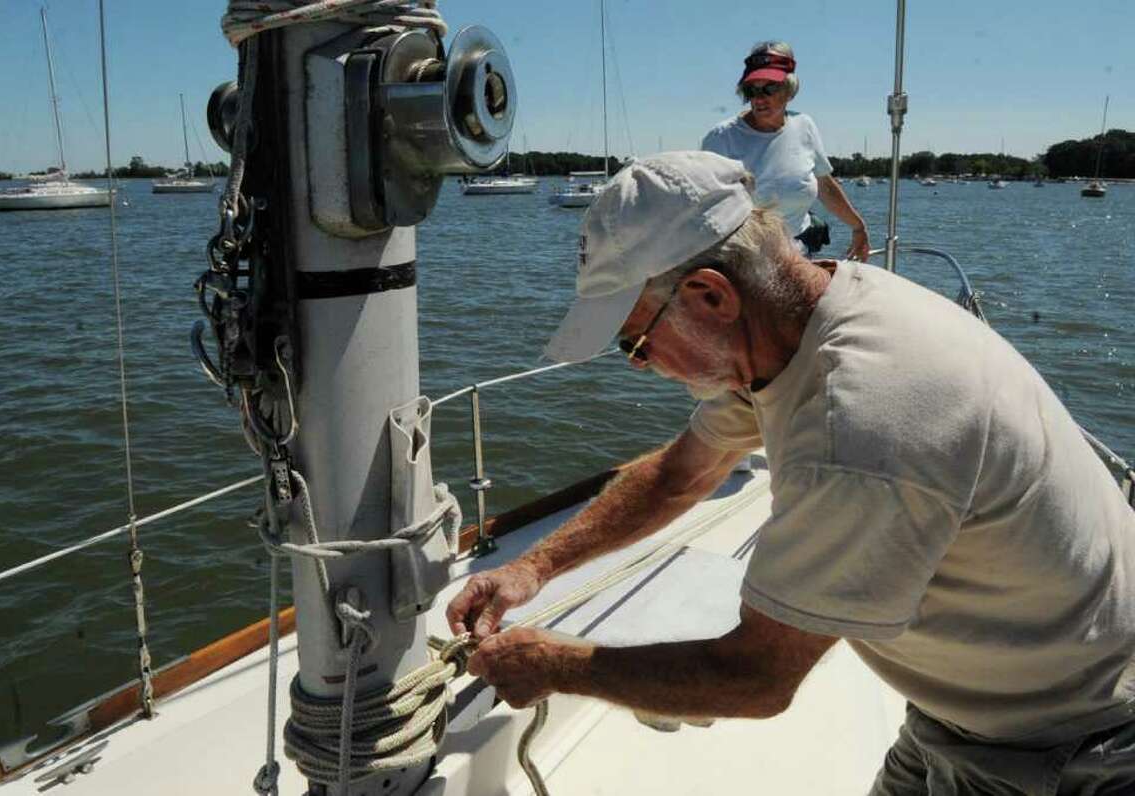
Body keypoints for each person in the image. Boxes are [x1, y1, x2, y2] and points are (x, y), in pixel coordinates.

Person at [448, 151, 1135, 793]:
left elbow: (755, 676)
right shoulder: (811, 316)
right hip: (958, 709)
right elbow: (682, 474)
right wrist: (531, 568)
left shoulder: (859, 422)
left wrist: (556, 666)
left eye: (635, 339)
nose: (637, 362)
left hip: (1063, 746)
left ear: (711, 297)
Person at [702, 41, 869, 260]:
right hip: (745, 260)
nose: (760, 97)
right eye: (752, 89)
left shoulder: (804, 125)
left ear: (790, 90)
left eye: (770, 88)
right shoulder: (721, 138)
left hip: (799, 252)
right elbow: (703, 210)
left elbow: (824, 185)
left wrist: (858, 227)